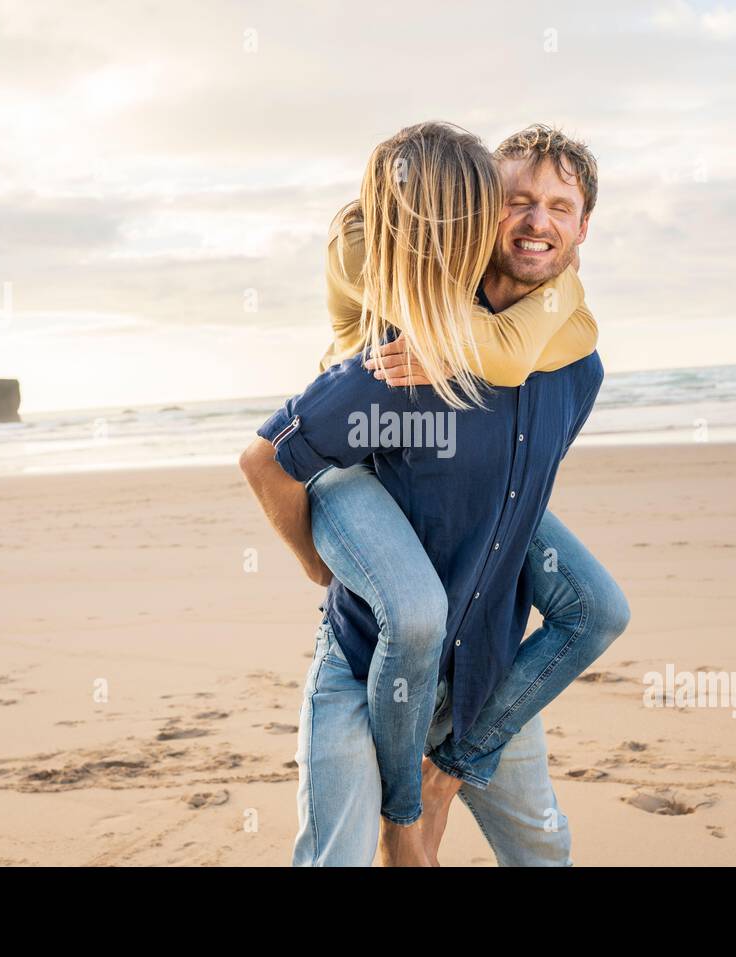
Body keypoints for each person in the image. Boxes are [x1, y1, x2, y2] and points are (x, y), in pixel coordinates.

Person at [240, 122, 629, 866]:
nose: (536, 221)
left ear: (583, 229)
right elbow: (272, 460)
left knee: (545, 846)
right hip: (366, 672)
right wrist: (317, 559)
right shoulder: (401, 355)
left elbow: (516, 500)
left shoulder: (579, 370)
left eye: (558, 206)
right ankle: (402, 814)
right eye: (517, 201)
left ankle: (451, 769)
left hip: (483, 670)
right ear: (483, 215)